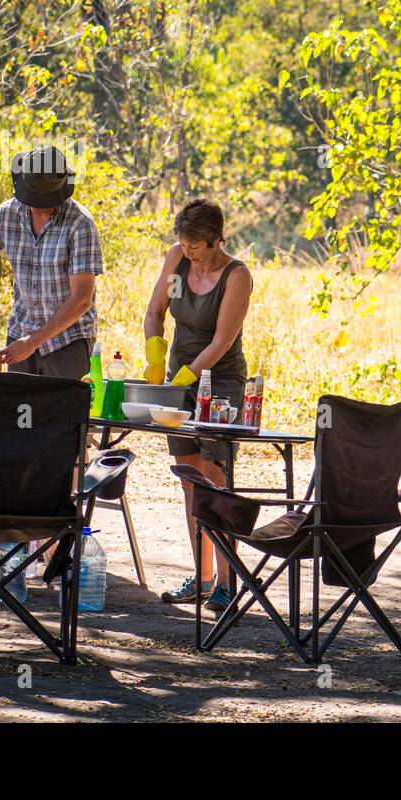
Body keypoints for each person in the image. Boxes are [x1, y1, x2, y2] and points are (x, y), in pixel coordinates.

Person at [143, 200, 252, 611]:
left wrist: (186, 378)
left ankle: (227, 582)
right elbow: (155, 313)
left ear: (216, 239)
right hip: (177, 379)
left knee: (215, 478)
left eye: (195, 246)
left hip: (219, 382)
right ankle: (202, 576)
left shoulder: (236, 276)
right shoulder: (178, 258)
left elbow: (222, 341)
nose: (187, 252)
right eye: (182, 243)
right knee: (189, 477)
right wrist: (156, 357)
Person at [0, 146, 102, 378]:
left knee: (60, 411)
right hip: (21, 334)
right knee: (17, 409)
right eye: (35, 197)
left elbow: (81, 299)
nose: (39, 205)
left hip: (67, 341)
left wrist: (32, 342)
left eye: (46, 199)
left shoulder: (80, 223)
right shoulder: (7, 214)